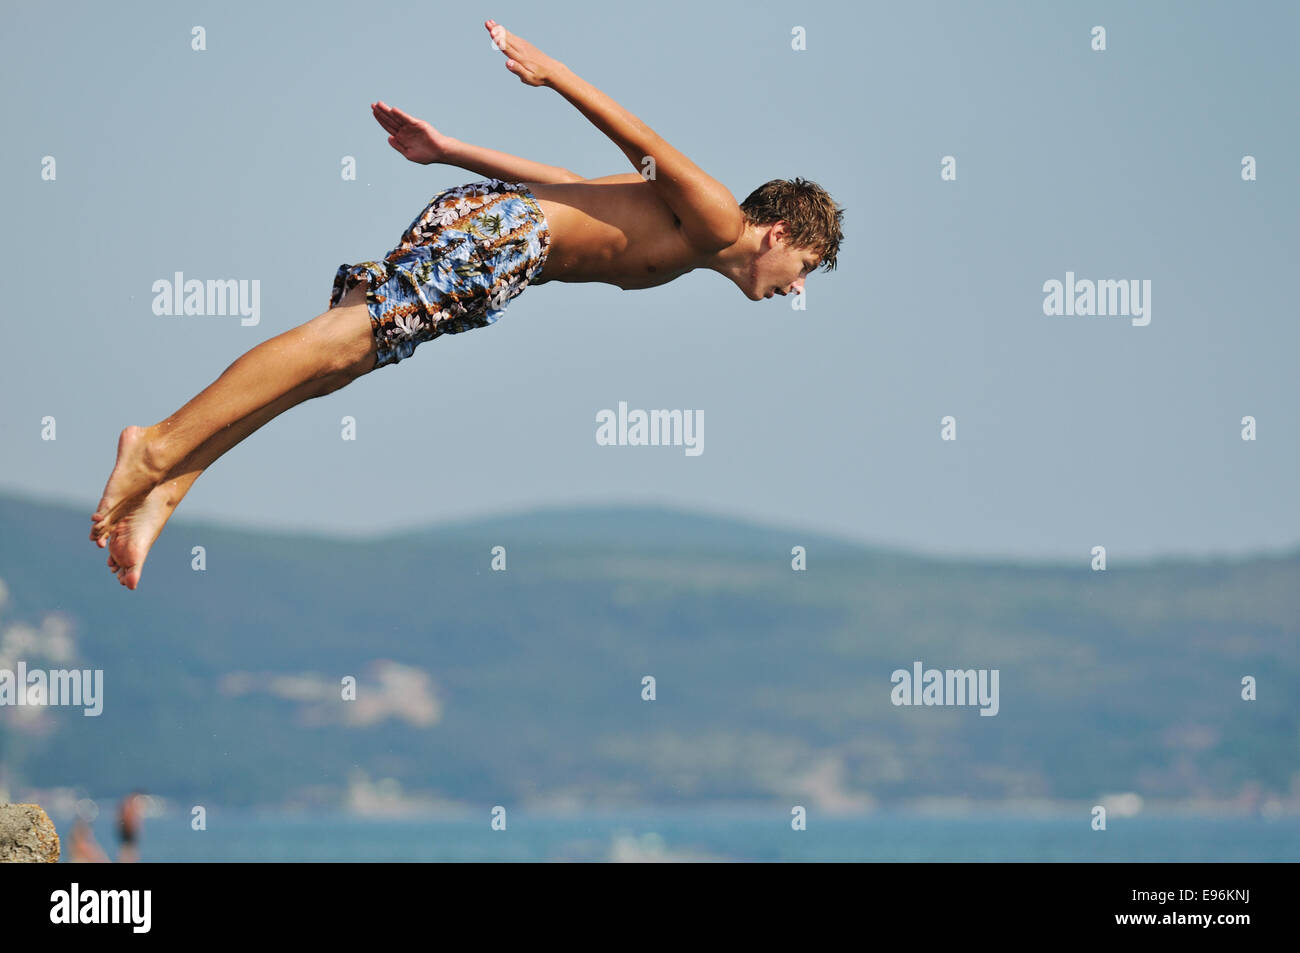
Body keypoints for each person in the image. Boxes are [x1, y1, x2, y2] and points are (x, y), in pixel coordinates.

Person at [90, 19, 844, 589]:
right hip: (501, 240)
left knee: (333, 368)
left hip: (496, 227)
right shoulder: (716, 216)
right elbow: (638, 138)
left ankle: (169, 486)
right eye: (804, 265)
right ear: (778, 231)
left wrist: (449, 149)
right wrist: (553, 74)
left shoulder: (688, 229)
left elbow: (560, 179)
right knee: (331, 348)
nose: (797, 286)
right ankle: (154, 445)